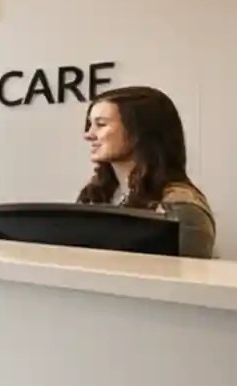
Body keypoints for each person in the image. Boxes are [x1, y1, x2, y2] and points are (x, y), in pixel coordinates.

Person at [78, 86, 216, 258]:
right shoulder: (96, 195)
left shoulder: (181, 209)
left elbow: (189, 281)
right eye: (90, 125)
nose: (89, 135)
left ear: (139, 131)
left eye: (101, 124)